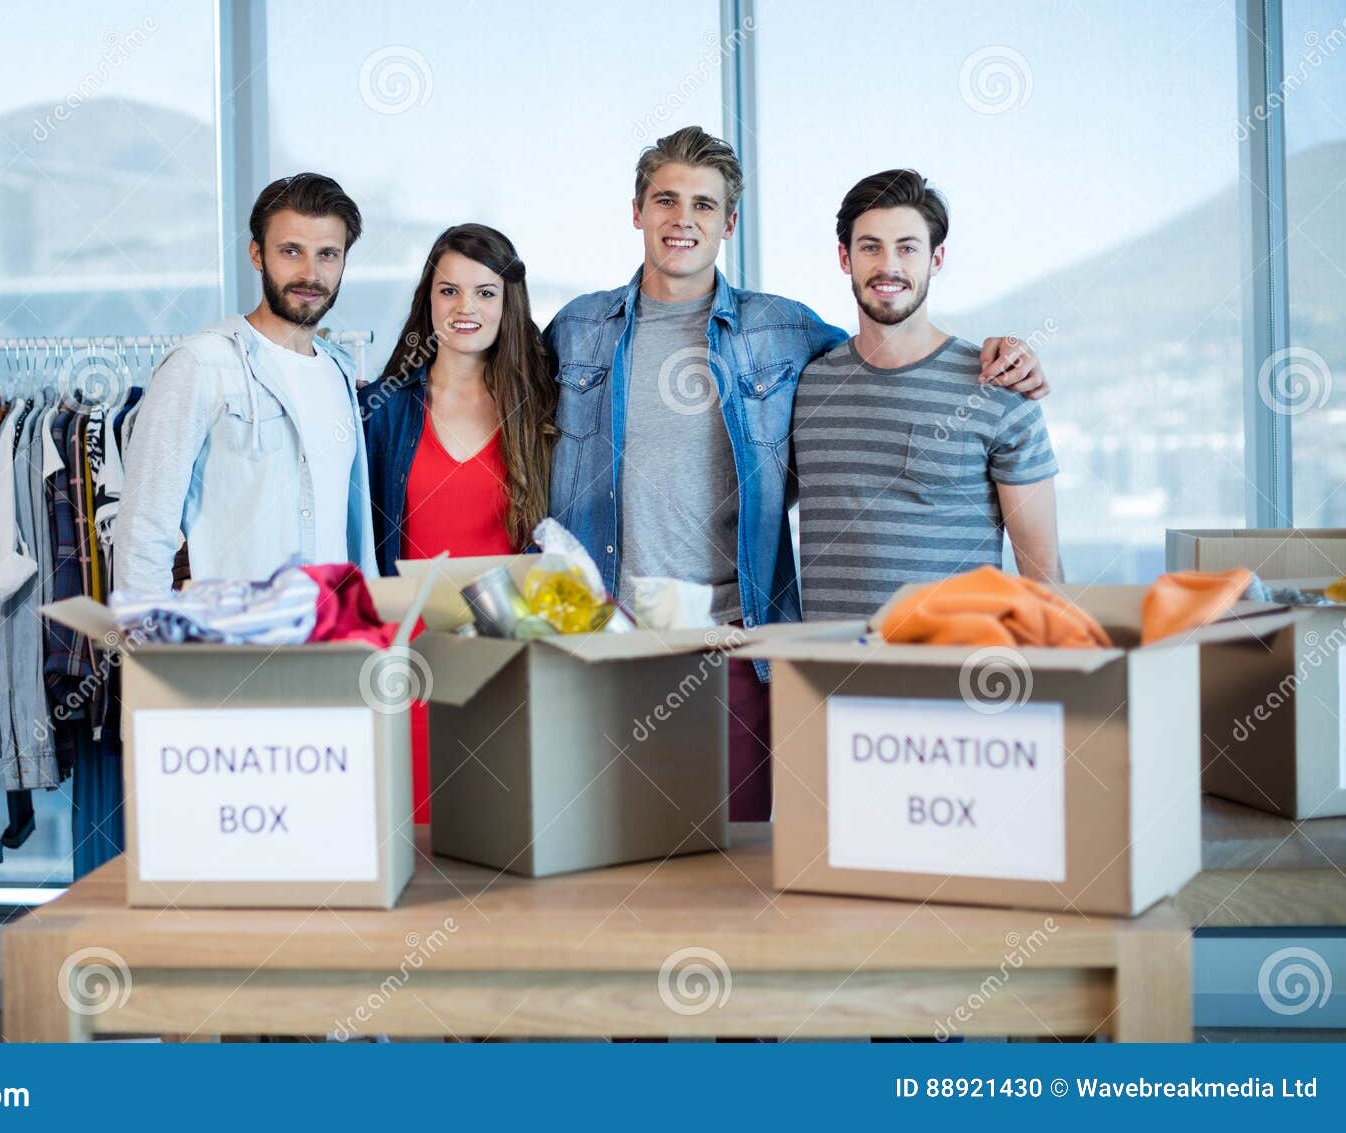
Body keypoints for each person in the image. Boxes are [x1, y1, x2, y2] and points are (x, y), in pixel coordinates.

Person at [542, 127, 1050, 821]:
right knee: (599, 843)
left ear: (730, 222)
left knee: (742, 857)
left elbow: (889, 351)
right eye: (665, 200)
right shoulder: (578, 330)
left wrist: (1007, 354)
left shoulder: (781, 334)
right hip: (601, 637)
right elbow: (505, 408)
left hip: (740, 641)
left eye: (703, 204)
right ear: (637, 211)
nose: (683, 219)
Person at [794, 169, 1061, 621]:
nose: (889, 266)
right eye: (870, 247)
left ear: (936, 259)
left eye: (907, 248)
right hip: (824, 663)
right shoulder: (808, 386)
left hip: (957, 662)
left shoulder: (999, 389)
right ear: (845, 257)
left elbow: (1043, 577)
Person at [360, 223, 557, 821]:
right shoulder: (383, 410)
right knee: (414, 833)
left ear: (508, 303)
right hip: (409, 661)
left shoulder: (543, 407)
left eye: (485, 292)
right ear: (428, 300)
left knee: (503, 832)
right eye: (449, 291)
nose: (465, 307)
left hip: (509, 656)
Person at [114, 173, 375, 593]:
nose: (310, 274)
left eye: (328, 254)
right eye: (291, 251)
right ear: (257, 254)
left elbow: (349, 536)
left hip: (333, 628)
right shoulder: (200, 364)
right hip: (233, 630)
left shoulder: (341, 374)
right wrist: (147, 633)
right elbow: (145, 531)